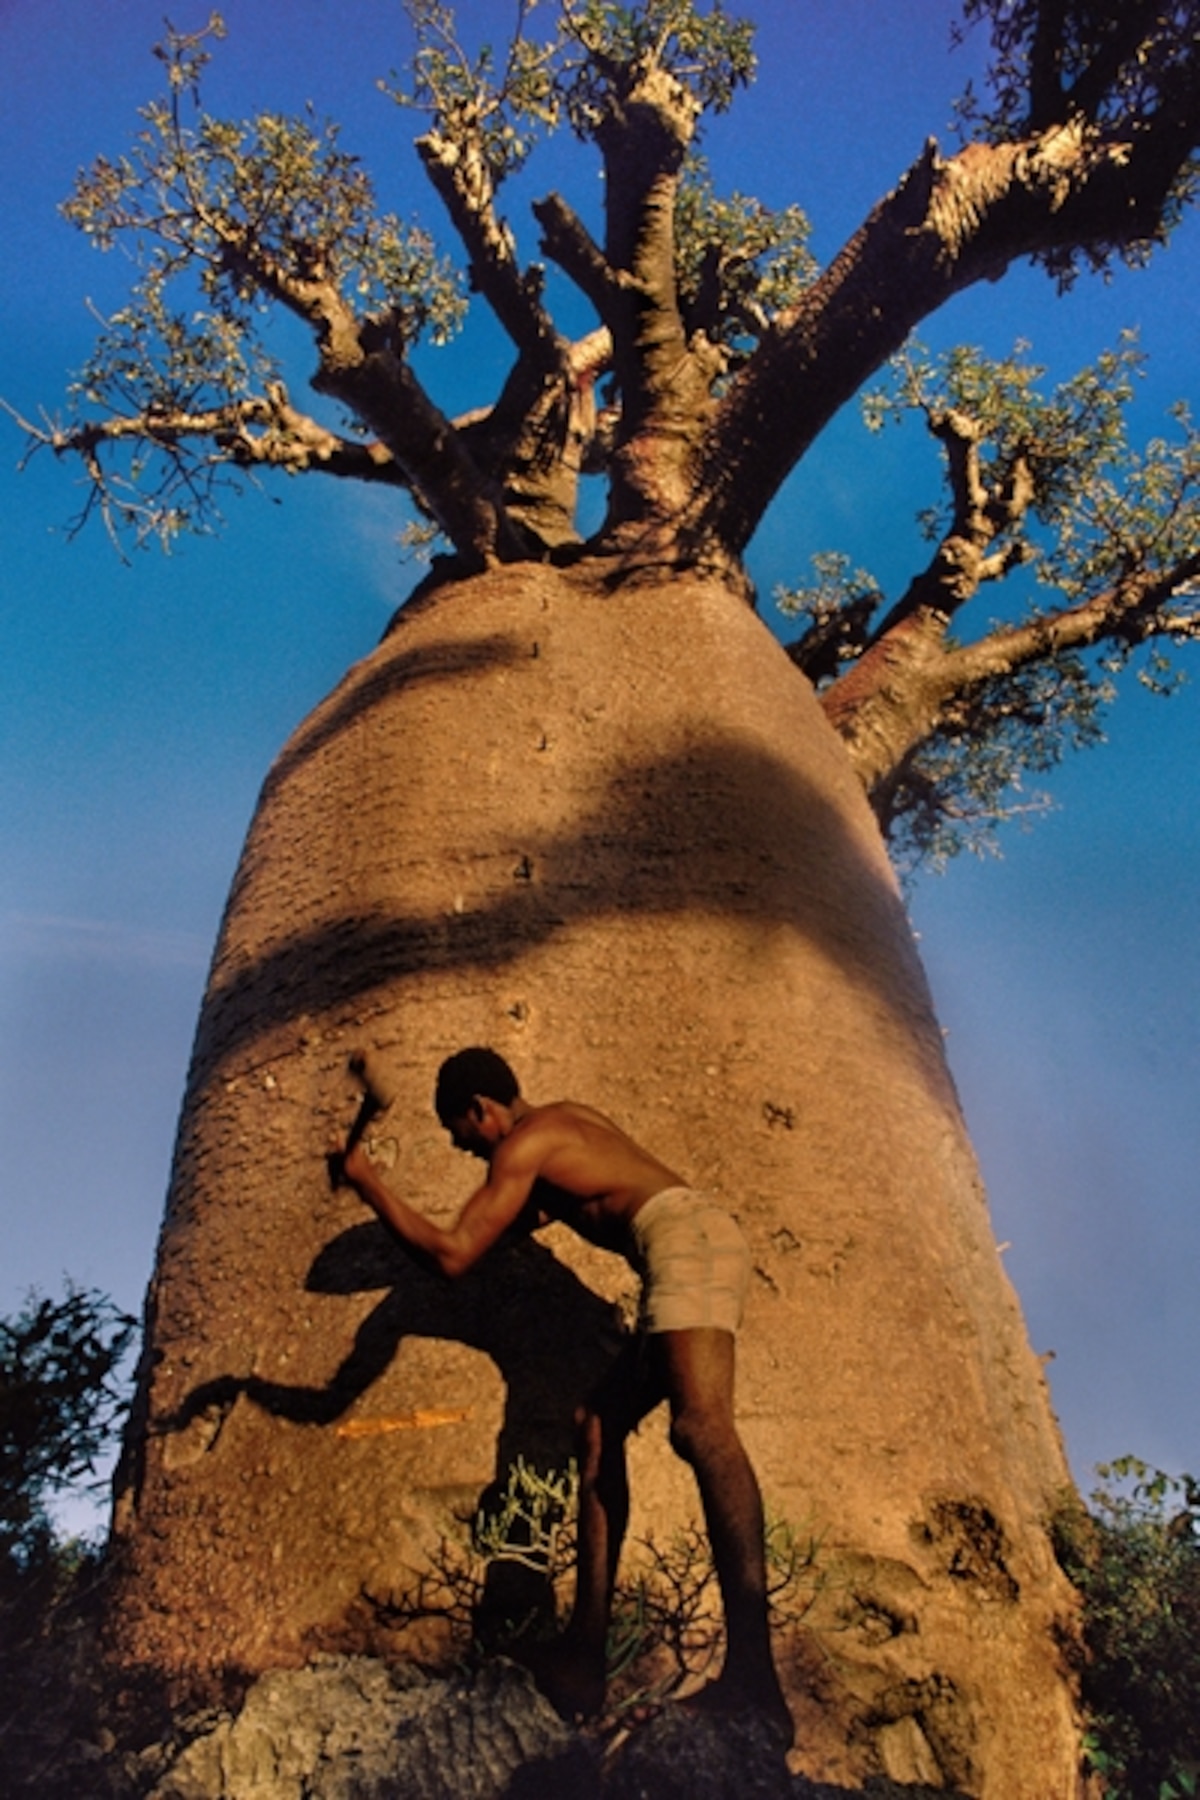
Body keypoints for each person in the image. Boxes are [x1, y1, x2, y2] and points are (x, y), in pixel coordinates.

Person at [339, 1045, 790, 1739]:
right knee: (598, 1426)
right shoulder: (565, 1125)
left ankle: (755, 1683)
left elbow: (454, 1255)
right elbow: (496, 1232)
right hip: (689, 1236)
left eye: (462, 1135)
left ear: (481, 1109)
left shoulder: (525, 1144)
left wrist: (367, 1180)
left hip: (685, 1241)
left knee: (701, 1428)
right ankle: (583, 1655)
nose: (466, 1151)